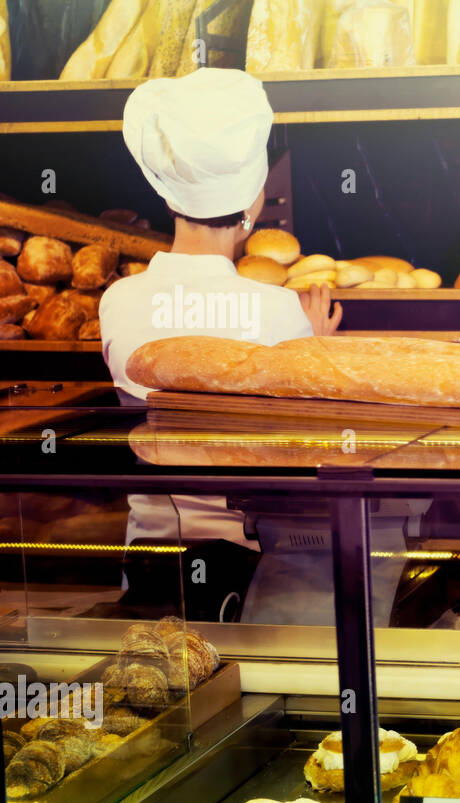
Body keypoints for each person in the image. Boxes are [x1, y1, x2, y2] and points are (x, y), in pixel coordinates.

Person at [99, 68, 341, 617]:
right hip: (252, 569)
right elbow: (303, 447)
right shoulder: (282, 312)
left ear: (167, 197)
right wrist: (317, 352)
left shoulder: (118, 301)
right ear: (253, 205)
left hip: (151, 562)